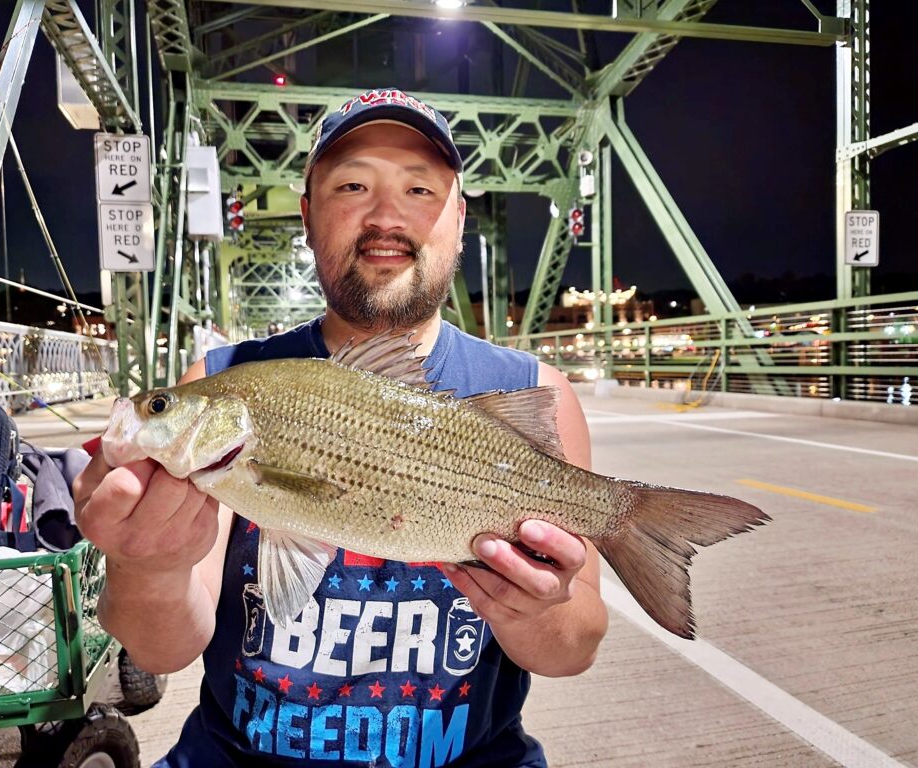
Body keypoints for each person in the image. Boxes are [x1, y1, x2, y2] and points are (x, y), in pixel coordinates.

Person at [74, 87, 608, 768]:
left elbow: (576, 646)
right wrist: (146, 566)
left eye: (420, 189)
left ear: (459, 217)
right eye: (353, 185)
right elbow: (161, 650)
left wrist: (537, 610)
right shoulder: (219, 373)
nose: (386, 216)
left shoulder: (535, 393)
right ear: (308, 213)